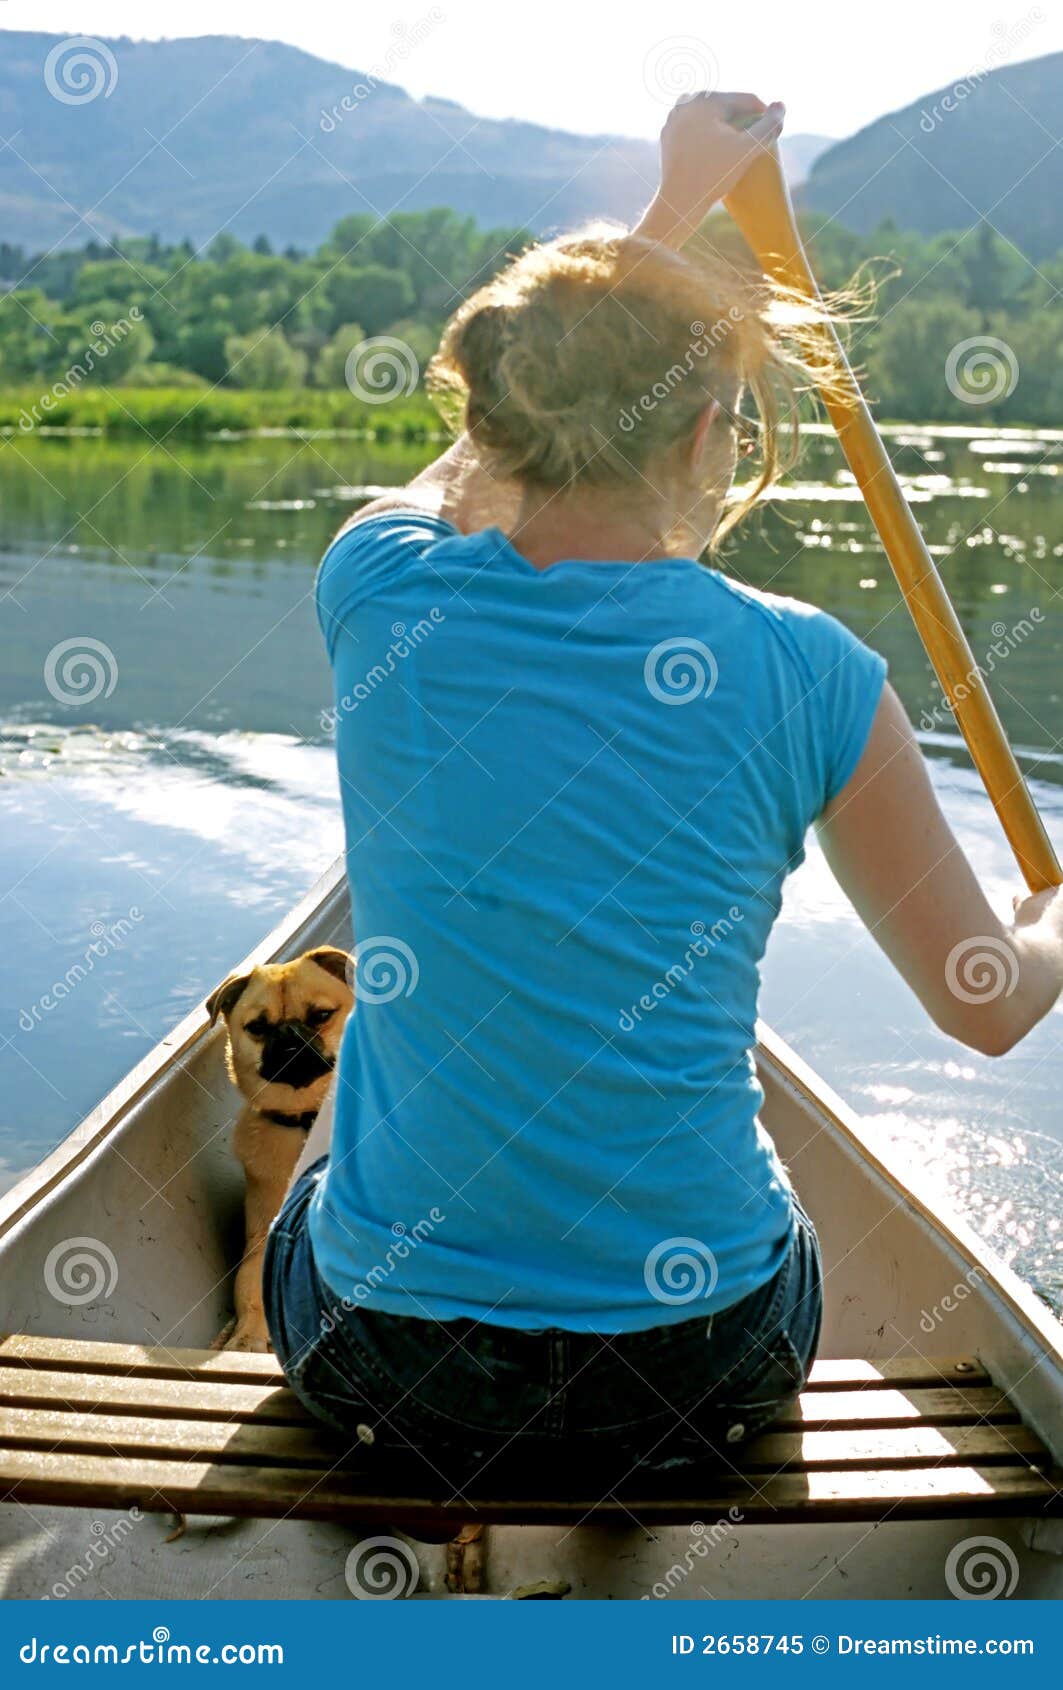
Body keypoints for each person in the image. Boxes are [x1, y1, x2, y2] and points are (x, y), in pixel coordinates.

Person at [263, 92, 1063, 1486]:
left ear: (501, 405)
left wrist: (669, 214)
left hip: (390, 1362)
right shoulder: (813, 671)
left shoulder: (377, 593)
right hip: (696, 1371)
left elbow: (463, 478)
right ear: (709, 435)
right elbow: (985, 1004)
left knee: (334, 1138)